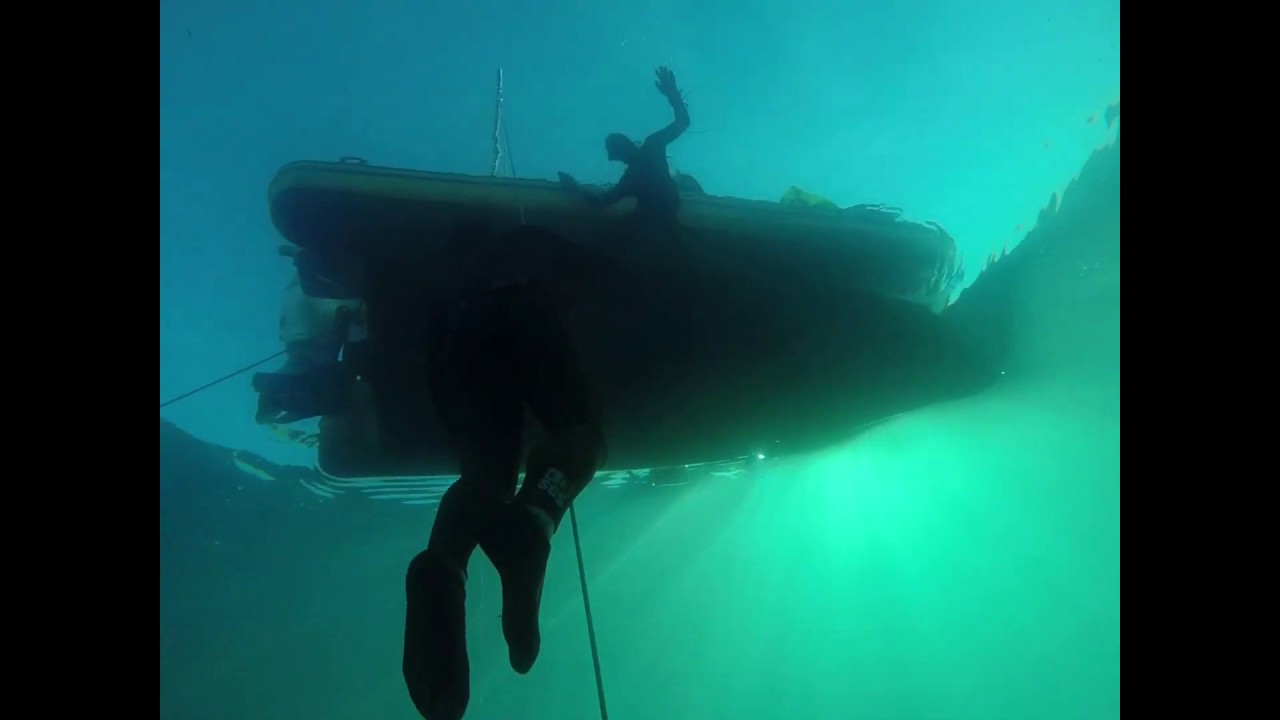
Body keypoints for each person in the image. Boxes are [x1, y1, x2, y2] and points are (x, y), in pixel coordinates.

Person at [402, 224, 609, 720]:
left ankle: (446, 562)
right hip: (517, 318)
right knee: (580, 441)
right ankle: (529, 521)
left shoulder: (450, 279)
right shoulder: (529, 253)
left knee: (488, 477)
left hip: (454, 349)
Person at [558, 66, 691, 230]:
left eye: (614, 152)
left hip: (651, 223)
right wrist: (673, 96)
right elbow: (603, 201)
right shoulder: (643, 160)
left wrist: (575, 189)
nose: (611, 158)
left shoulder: (645, 158)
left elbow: (603, 202)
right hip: (654, 222)